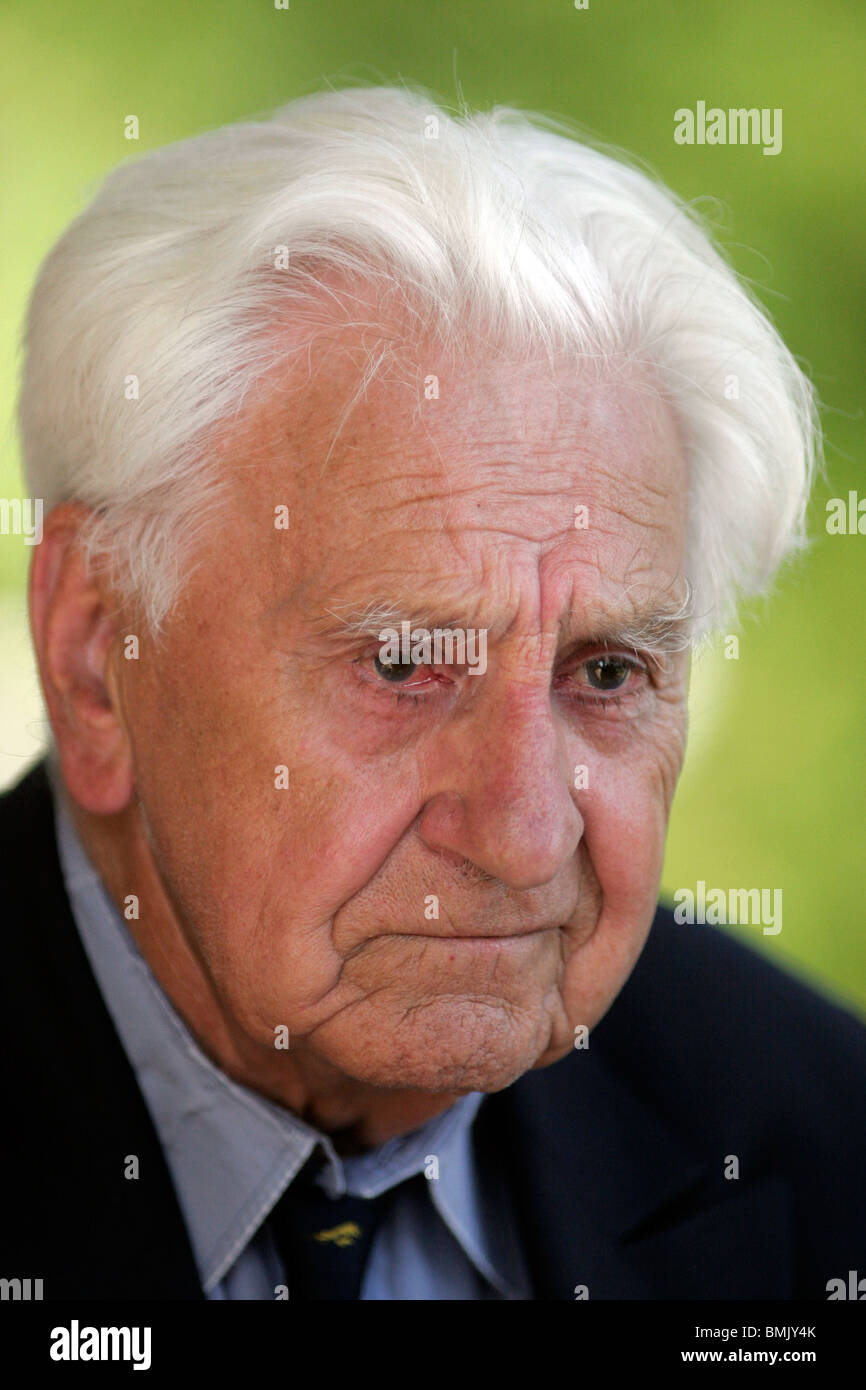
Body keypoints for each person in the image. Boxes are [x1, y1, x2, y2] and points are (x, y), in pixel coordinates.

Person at [2, 85, 863, 1301]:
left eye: (606, 672)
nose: (521, 837)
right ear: (99, 660)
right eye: (402, 665)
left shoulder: (823, 1147)